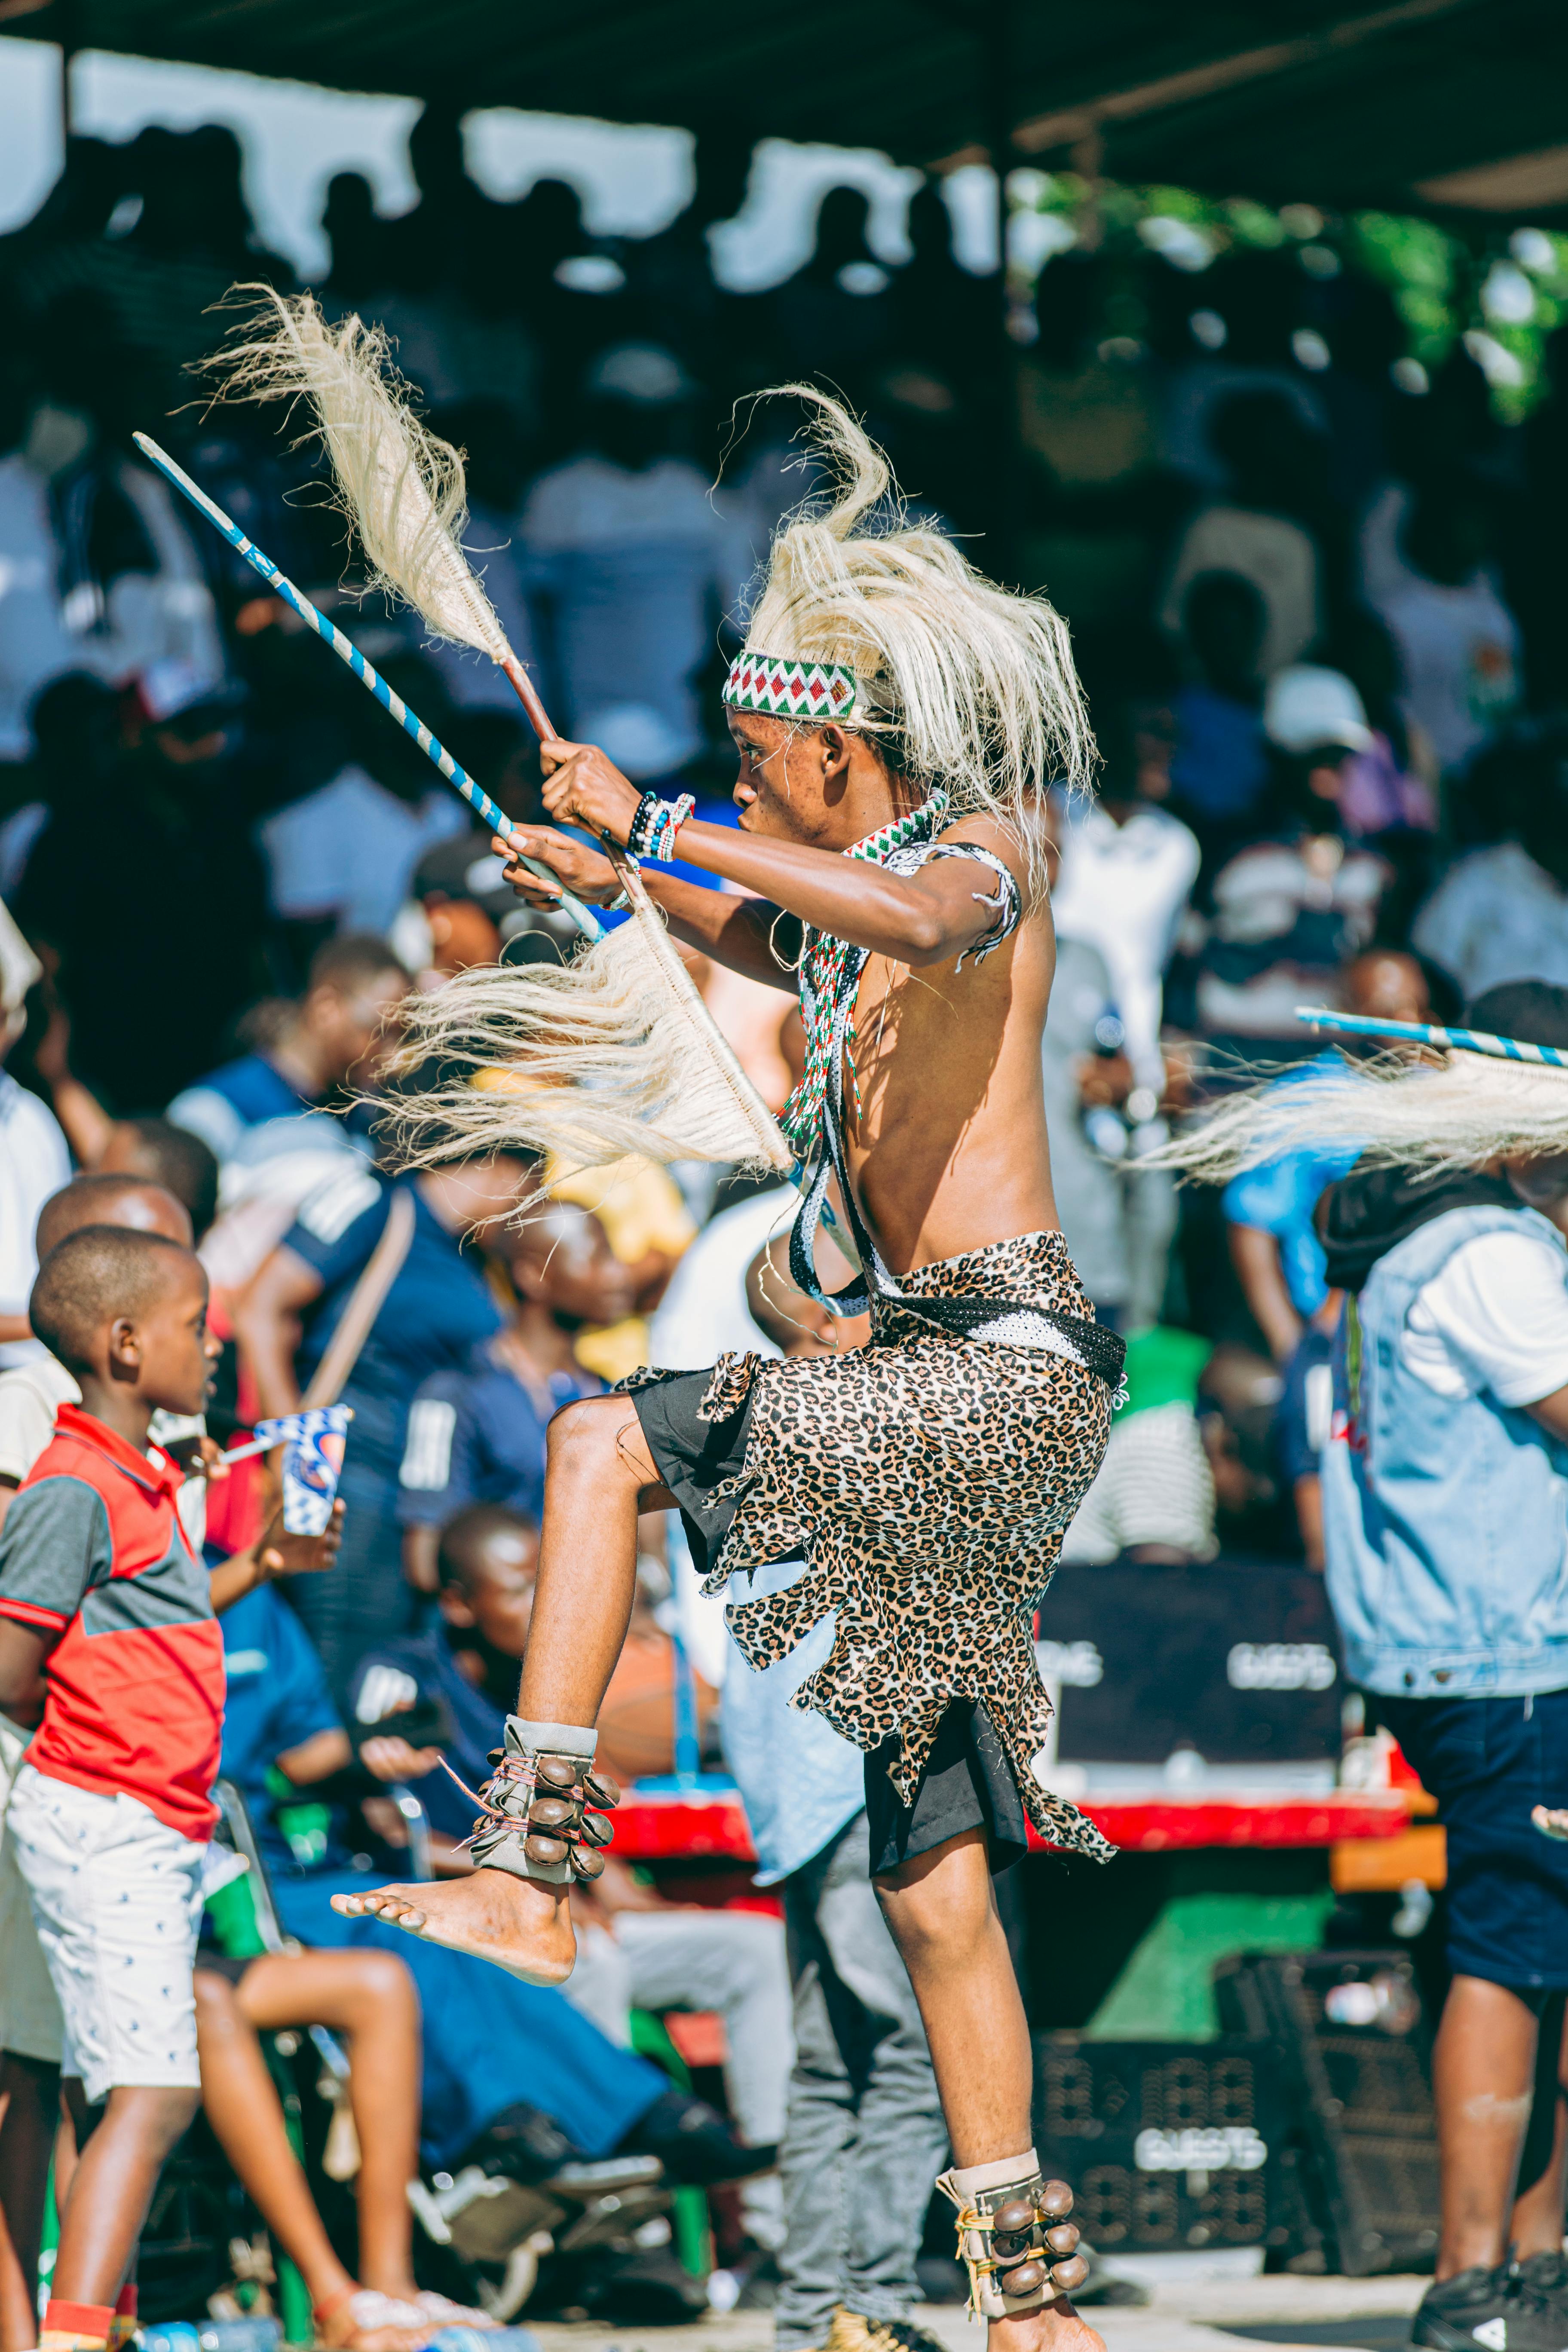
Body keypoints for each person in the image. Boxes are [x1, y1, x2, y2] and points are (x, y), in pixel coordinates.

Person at [335, 393, 1111, 2348]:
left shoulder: (975, 857)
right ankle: (1029, 2295)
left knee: (599, 1437)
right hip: (940, 1381)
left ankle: (531, 1867)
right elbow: (741, 914)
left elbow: (889, 908)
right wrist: (606, 867)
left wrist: (666, 821)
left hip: (994, 1368)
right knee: (931, 1877)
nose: (745, 784)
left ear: (840, 747)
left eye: (765, 760)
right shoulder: (833, 914)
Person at [0, 1182, 340, 2352]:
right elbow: (14, 1662)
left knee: (119, 2082)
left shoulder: (140, 1480)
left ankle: (104, 2319)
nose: (216, 1348)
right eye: (199, 1325)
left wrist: (265, 1558)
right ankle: (75, 2331)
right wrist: (102, 1749)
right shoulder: (72, 1484)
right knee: (151, 2091)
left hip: (140, 1817)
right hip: (107, 1815)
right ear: (125, 1344)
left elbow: (152, 1616)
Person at [1311, 980, 1568, 2349]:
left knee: (1541, 1940)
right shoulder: (1485, 1249)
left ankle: (1535, 2261)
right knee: (1511, 1944)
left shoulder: (1387, 1241)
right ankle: (1472, 2279)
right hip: (1507, 1646)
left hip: (1439, 1637)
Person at [350, 1504, 786, 2247]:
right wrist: (530, 1882)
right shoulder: (401, 1677)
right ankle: (624, 2231)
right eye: (520, 1586)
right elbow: (387, 1832)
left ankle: (783, 2230)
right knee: (589, 1958)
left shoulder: (542, 1685)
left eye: (549, 1584)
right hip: (461, 1942)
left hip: (564, 1913)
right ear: (459, 1601)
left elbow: (586, 1844)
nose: (542, 1604)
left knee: (750, 1950)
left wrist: (616, 1893)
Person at [725, 1239, 949, 2352]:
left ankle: (812, 2316)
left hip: (791, 1792)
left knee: (833, 2060)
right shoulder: (853, 1427)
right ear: (825, 1317)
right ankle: (875, 2309)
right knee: (907, 2051)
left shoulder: (750, 1429)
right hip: (851, 1780)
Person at [235, 1152, 533, 1707]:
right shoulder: (377, 1202)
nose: (524, 1211)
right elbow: (260, 1309)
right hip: (346, 1479)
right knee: (330, 1676)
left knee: (378, 1679)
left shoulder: (474, 1262)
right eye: (528, 1189)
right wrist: (297, 1453)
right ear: (500, 1167)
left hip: (416, 1506)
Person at [396, 1203, 627, 1595]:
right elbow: (425, 1560)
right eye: (597, 1257)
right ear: (532, 1275)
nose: (618, 1275)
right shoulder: (455, 1394)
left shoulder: (613, 1398)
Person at [1222, 950, 1431, 1364]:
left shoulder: (1444, 1092)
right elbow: (1253, 1229)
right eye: (1389, 1011)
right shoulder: (1305, 1101)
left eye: (1419, 1007)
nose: (1409, 1022)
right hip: (1337, 1339)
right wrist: (1292, 1352)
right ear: (1347, 1012)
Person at [166, 933, 409, 1171]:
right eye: (382, 1032)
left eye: (403, 1037)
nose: (396, 1058)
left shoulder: (365, 1119)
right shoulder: (212, 1112)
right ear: (327, 1009)